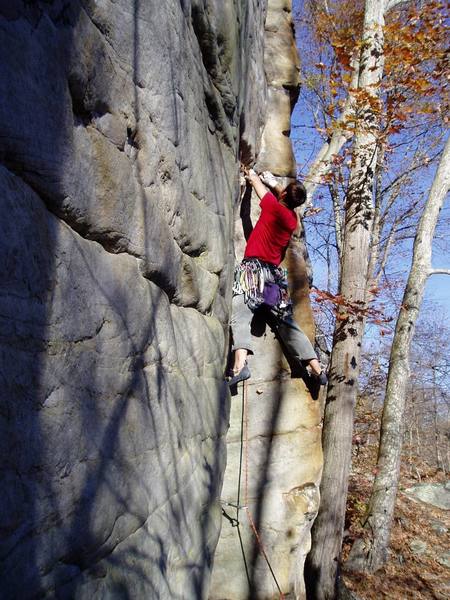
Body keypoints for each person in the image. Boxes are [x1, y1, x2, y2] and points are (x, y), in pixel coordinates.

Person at [228, 167, 327, 387]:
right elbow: (284, 196)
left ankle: (239, 366)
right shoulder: (292, 220)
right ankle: (317, 368)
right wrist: (275, 184)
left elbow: (257, 187)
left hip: (253, 271)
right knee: (287, 324)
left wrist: (251, 174)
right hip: (274, 277)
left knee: (241, 313)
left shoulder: (272, 206)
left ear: (282, 196)